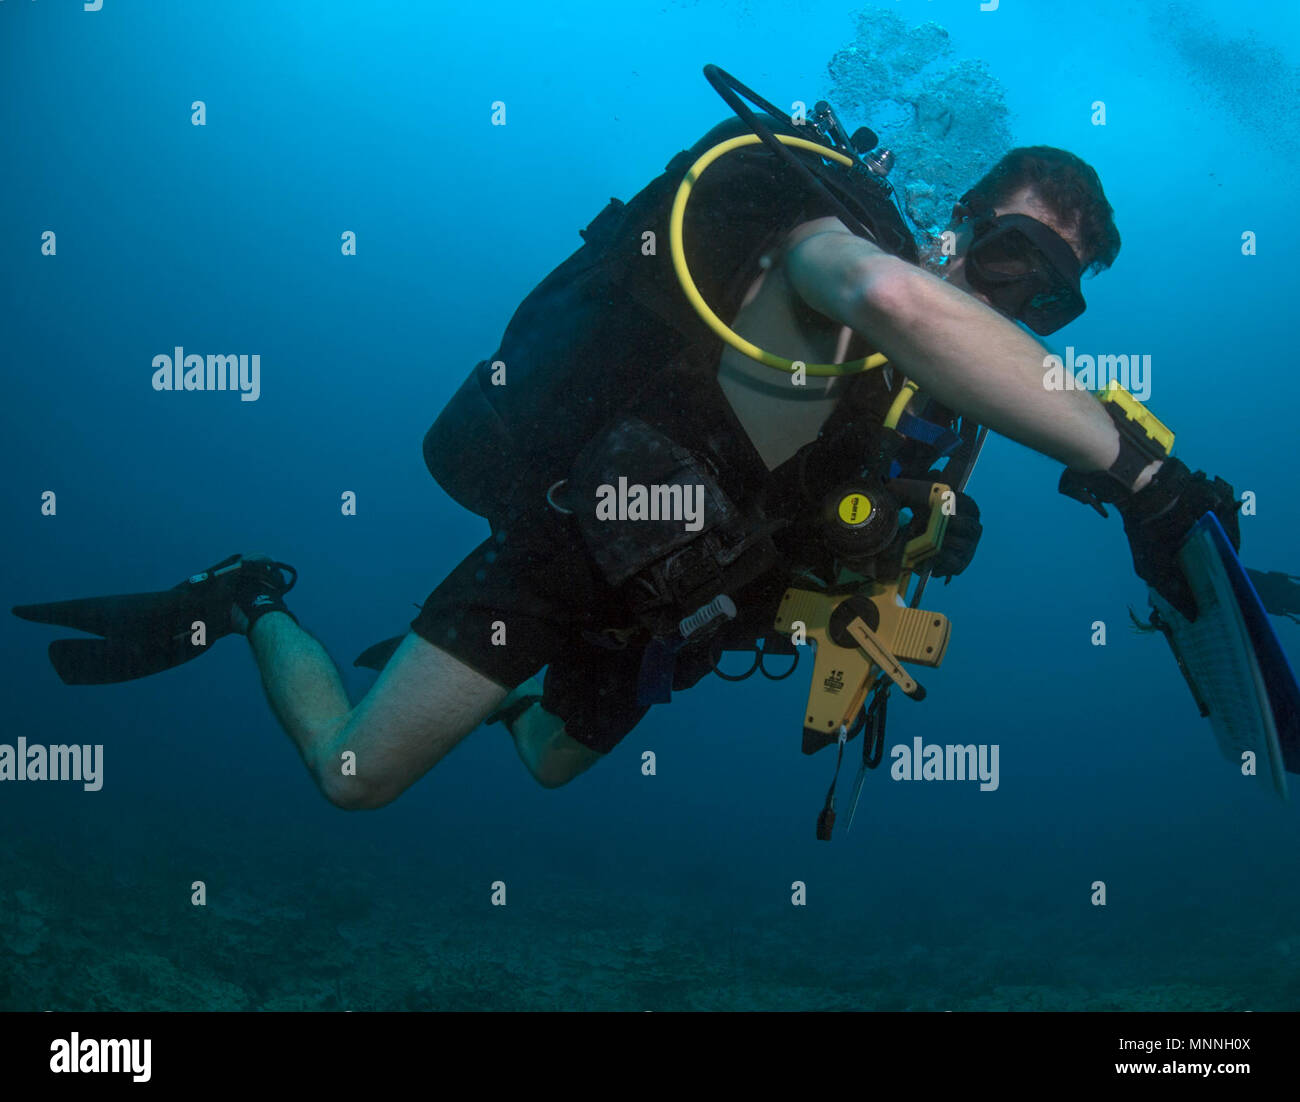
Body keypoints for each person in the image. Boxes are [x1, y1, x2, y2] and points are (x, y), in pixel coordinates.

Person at [16, 78, 1240, 810]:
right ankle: (248, 597)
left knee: (547, 761)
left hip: (688, 605)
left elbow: (841, 526)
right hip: (583, 539)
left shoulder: (952, 399)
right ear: (957, 219)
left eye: (1051, 297)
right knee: (355, 778)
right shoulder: (830, 230)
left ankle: (499, 707)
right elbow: (896, 302)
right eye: (1010, 258)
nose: (1013, 302)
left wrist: (923, 526)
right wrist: (1137, 474)